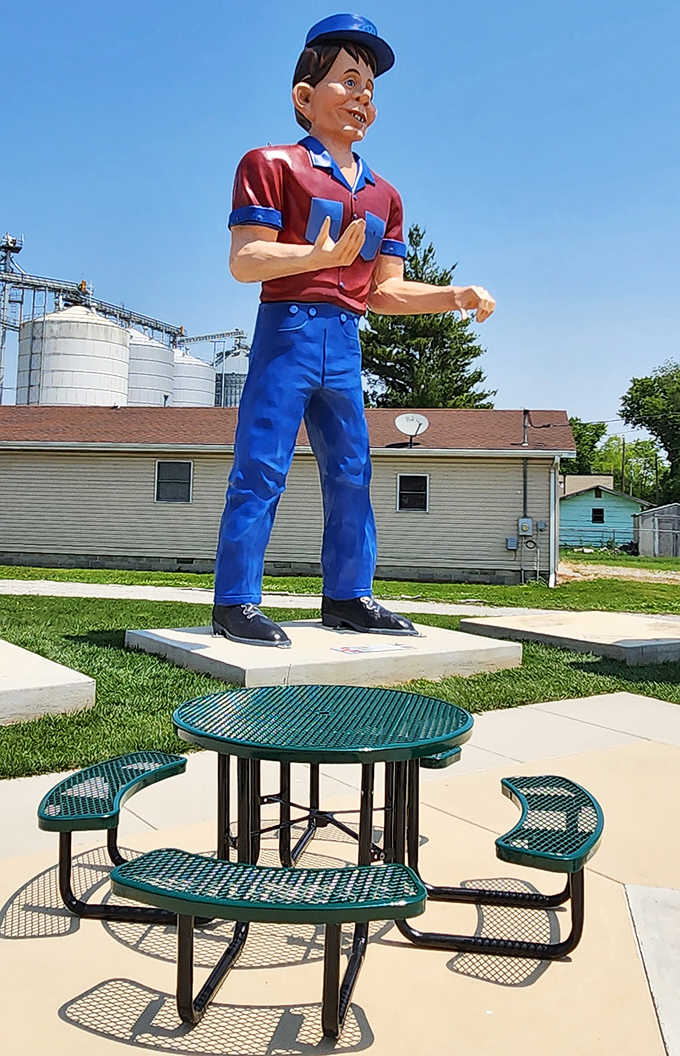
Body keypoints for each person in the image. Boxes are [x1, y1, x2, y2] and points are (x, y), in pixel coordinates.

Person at [213, 13, 495, 647]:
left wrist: (454, 294)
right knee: (260, 466)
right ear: (304, 97)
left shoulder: (383, 194)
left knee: (352, 470)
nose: (363, 95)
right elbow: (245, 259)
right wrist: (319, 257)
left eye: (370, 86)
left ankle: (348, 594)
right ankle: (235, 600)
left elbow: (385, 288)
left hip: (345, 338)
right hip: (287, 329)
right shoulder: (270, 163)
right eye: (348, 80)